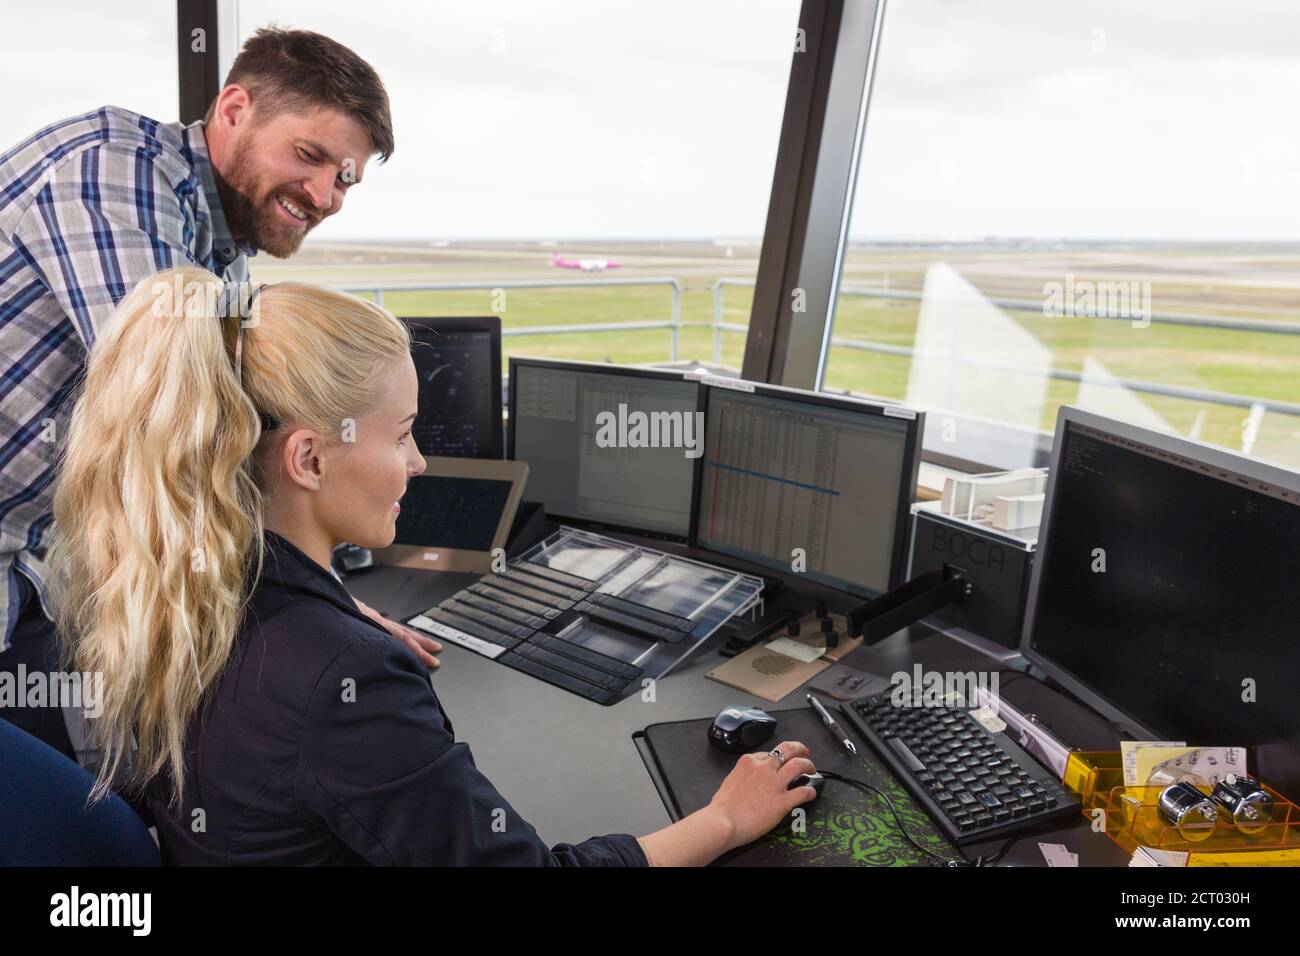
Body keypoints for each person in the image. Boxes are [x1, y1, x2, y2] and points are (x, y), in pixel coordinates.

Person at [47, 268, 819, 865]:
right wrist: (722, 821)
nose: (417, 462)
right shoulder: (338, 678)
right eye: (403, 434)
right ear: (309, 458)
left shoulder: (180, 596)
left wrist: (334, 624)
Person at [0, 27, 439, 757]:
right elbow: (182, 420)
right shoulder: (114, 173)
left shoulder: (223, 263)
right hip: (21, 558)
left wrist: (320, 595)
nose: (326, 195)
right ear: (234, 109)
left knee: (97, 763)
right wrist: (321, 603)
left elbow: (244, 439)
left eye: (346, 178)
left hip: (25, 568)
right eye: (310, 155)